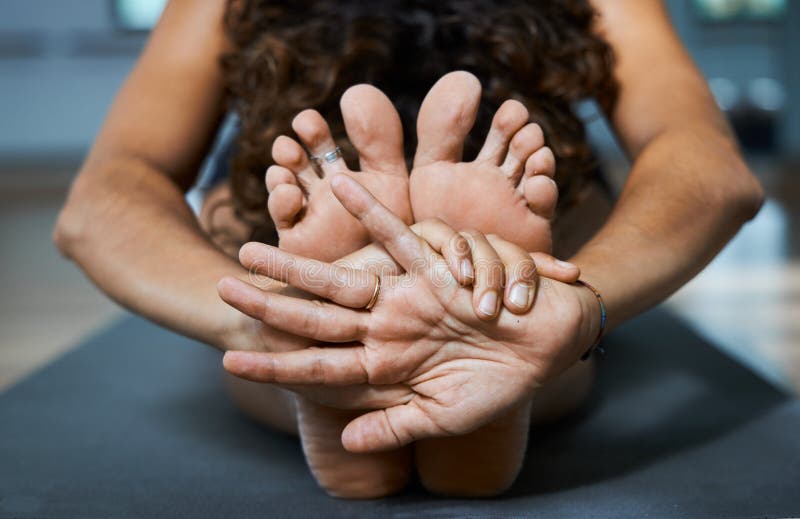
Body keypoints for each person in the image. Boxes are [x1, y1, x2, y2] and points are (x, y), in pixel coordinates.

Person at [53, 0, 763, 499]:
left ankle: (381, 348)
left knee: (545, 256)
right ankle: (467, 340)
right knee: (261, 240)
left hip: (504, 181)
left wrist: (580, 302)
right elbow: (108, 198)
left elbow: (704, 166)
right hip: (311, 181)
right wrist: (259, 315)